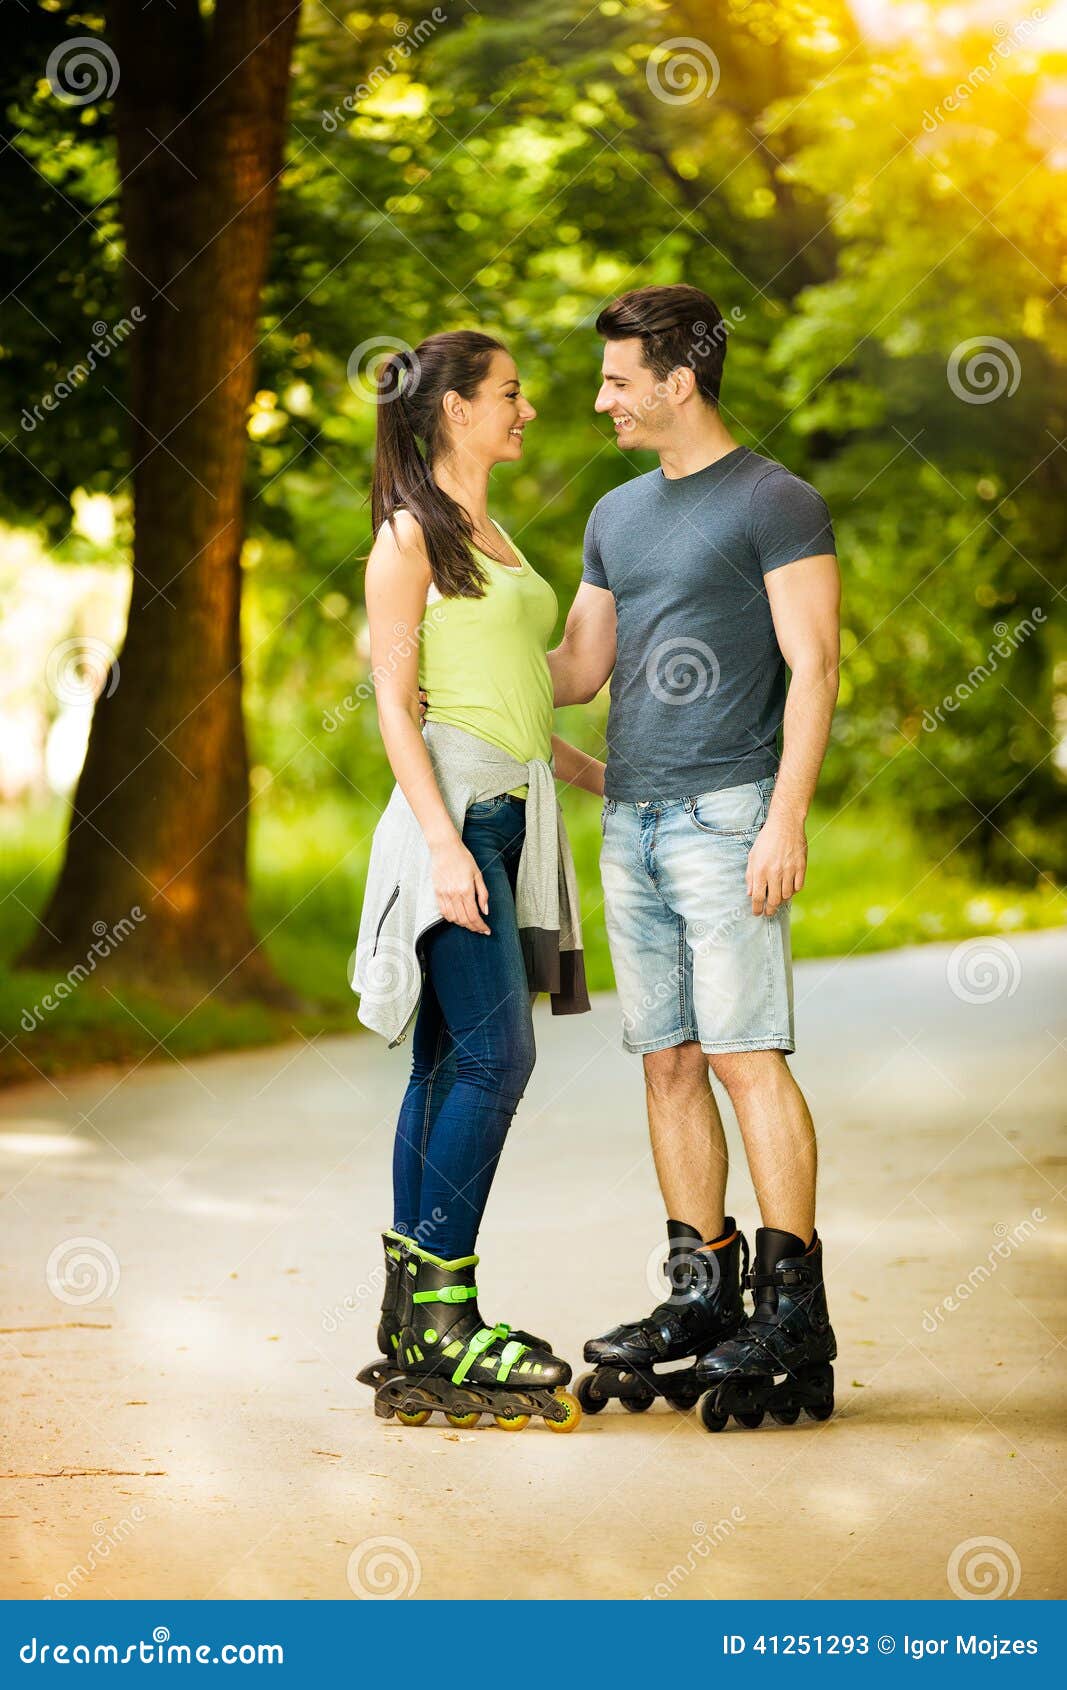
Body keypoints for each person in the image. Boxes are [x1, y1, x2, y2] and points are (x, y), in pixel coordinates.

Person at [548, 284, 841, 1430]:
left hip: (730, 816)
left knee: (741, 1055)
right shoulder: (615, 515)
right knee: (666, 1061)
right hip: (632, 821)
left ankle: (791, 1309)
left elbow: (811, 667)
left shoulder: (776, 500)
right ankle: (699, 1292)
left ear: (677, 381)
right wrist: (437, 654)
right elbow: (577, 671)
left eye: (619, 379)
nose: (600, 398)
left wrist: (786, 817)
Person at [352, 329, 600, 1433]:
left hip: (506, 812)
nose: (526, 409)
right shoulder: (408, 538)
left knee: (448, 1059)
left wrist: (586, 767)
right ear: (453, 408)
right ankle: (447, 1307)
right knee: (501, 1053)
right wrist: (445, 844)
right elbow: (396, 705)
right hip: (448, 826)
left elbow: (518, 681)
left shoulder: (486, 533)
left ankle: (415, 1316)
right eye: (508, 393)